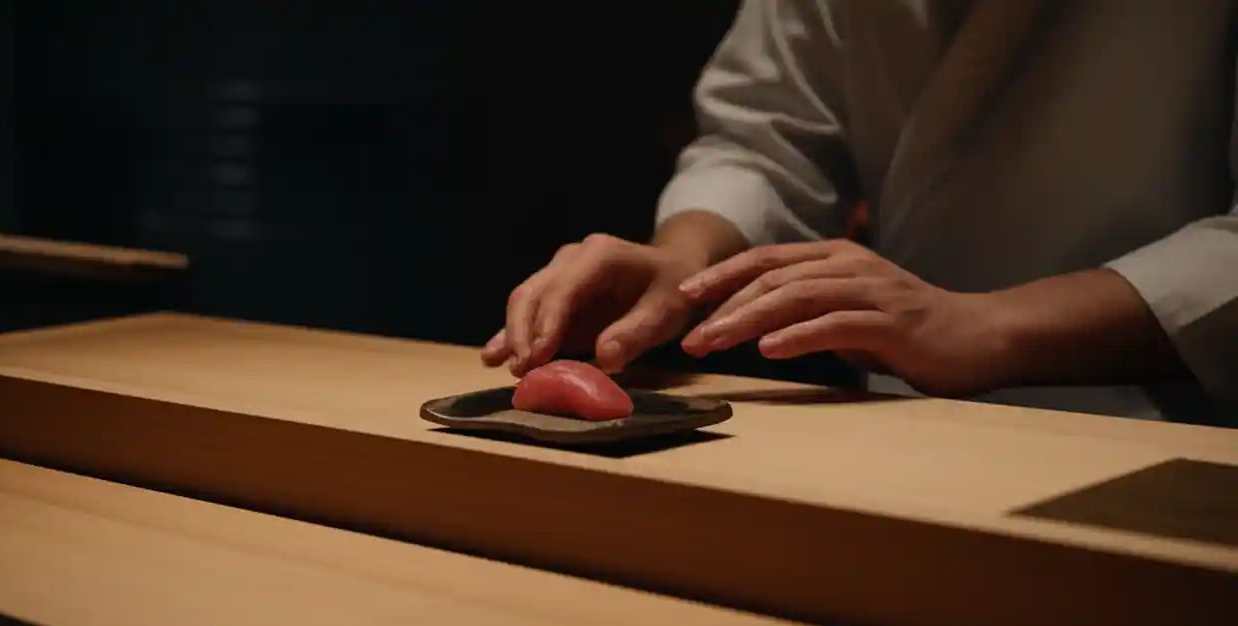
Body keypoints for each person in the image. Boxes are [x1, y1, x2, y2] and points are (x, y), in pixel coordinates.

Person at [482, 0, 1237, 426]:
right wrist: (683, 261)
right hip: (902, 423)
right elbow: (764, 134)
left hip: (1175, 439)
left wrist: (987, 326)